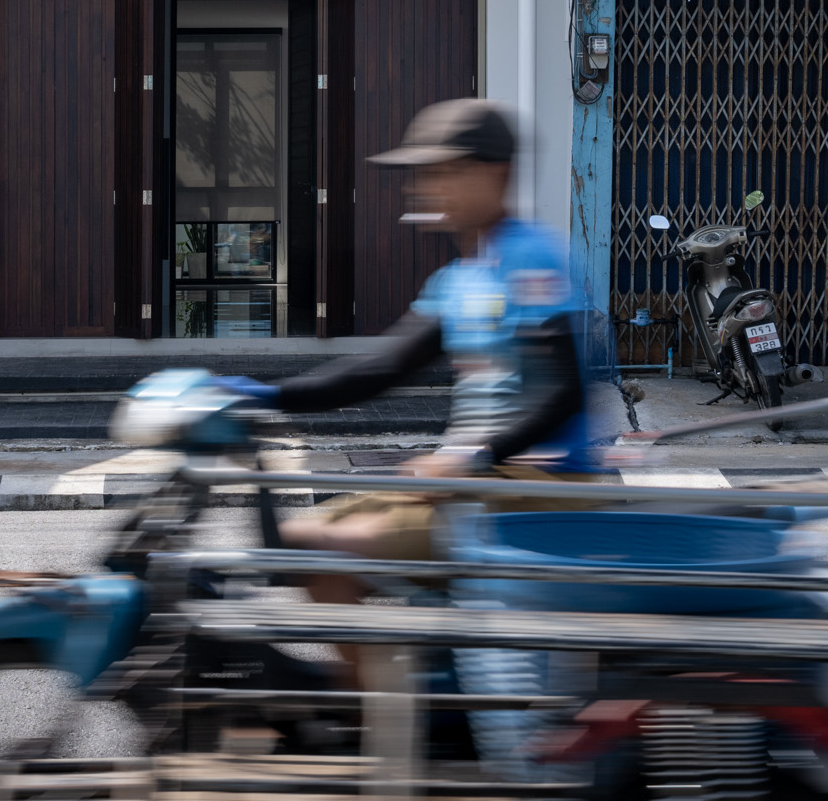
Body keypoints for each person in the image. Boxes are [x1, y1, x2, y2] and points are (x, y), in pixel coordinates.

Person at [226, 98, 608, 596]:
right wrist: (265, 396)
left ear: (497, 174)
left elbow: (563, 392)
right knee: (299, 544)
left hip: (541, 487)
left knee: (329, 544)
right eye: (424, 174)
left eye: (445, 172)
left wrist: (471, 456)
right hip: (476, 480)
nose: (425, 186)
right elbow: (383, 368)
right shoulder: (457, 280)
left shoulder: (531, 256)